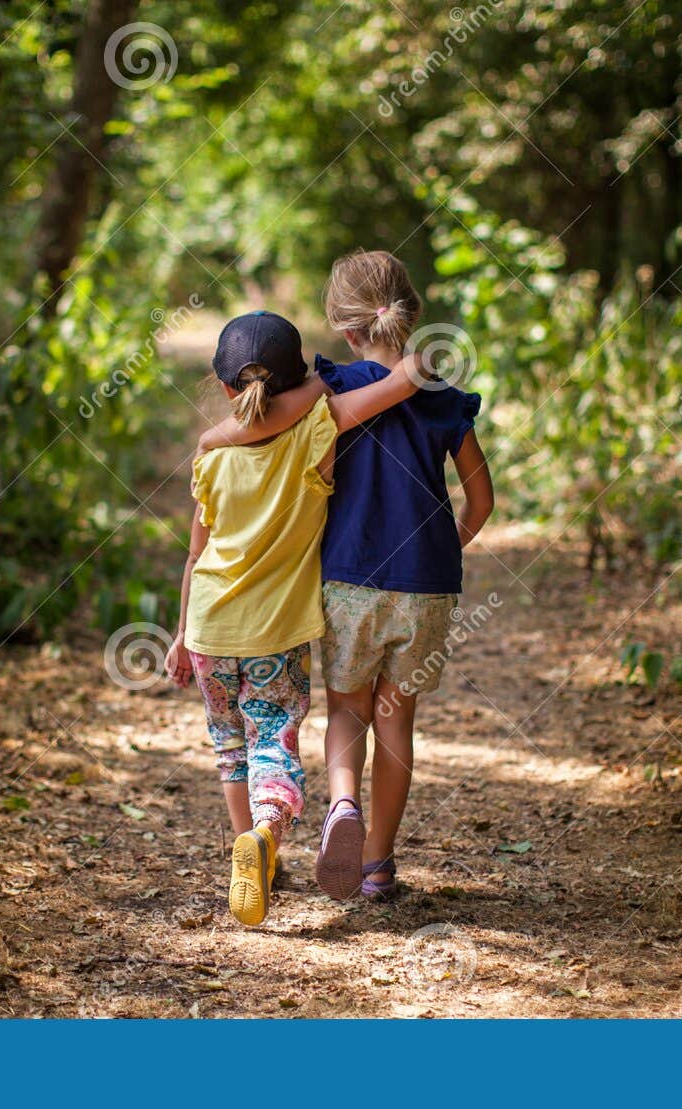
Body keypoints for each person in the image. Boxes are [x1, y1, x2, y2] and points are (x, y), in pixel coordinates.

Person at [197, 251, 493, 902]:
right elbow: (481, 501)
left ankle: (341, 805)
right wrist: (445, 547)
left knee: (348, 710)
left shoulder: (332, 390)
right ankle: (378, 865)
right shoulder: (446, 400)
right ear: (411, 311)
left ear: (344, 325)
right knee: (397, 718)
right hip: (428, 587)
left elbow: (266, 419)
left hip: (350, 578)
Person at [164, 309, 426, 925]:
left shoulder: (211, 456)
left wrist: (180, 633)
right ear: (297, 377)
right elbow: (403, 381)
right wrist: (335, 377)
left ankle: (255, 857)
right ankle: (266, 836)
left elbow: (196, 552)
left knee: (230, 747)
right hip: (273, 632)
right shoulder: (316, 429)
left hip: (207, 626)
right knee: (273, 742)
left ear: (226, 386)